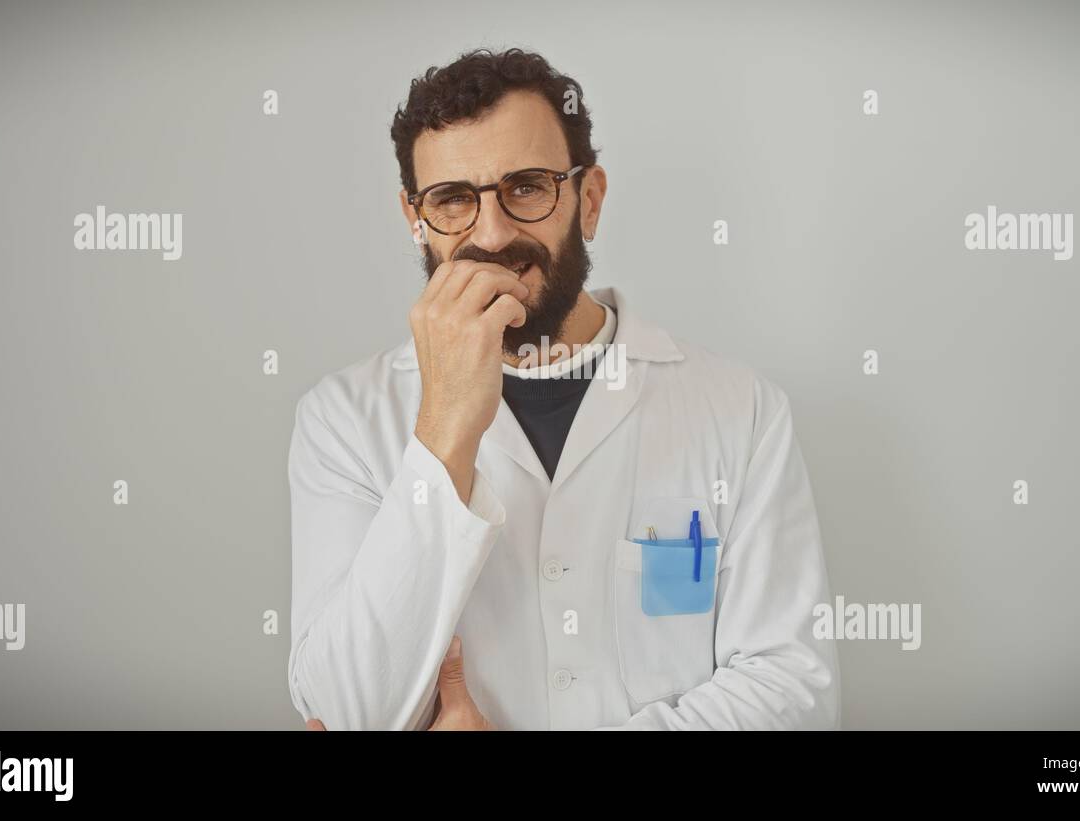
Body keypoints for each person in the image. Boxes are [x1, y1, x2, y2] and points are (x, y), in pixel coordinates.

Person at [288, 47, 840, 730]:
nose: (492, 233)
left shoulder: (742, 410)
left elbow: (794, 698)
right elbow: (343, 711)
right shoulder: (342, 420)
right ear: (416, 218)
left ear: (589, 199)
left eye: (526, 186)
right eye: (454, 199)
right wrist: (443, 429)